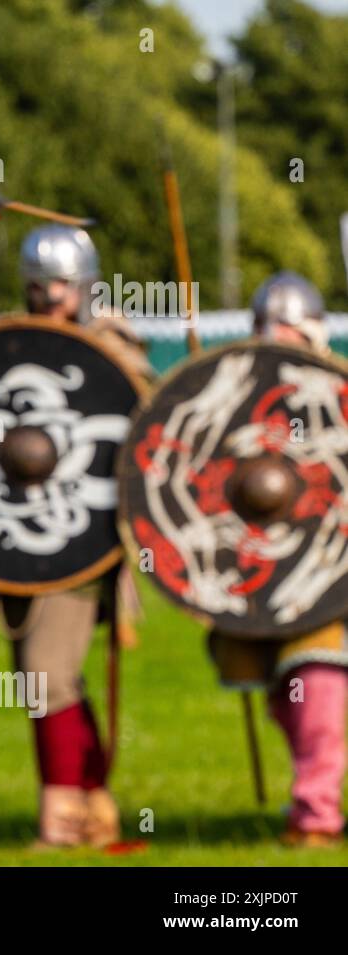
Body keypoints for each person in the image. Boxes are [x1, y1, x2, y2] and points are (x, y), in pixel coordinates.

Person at [0, 224, 146, 847]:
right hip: (17, 533)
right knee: (52, 678)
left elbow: (139, 424)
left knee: (44, 676)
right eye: (39, 288)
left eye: (62, 287)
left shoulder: (113, 347)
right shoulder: (9, 348)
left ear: (84, 288)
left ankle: (59, 820)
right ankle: (94, 805)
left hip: (83, 541)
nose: (51, 299)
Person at [207, 271, 346, 848]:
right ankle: (314, 797)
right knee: (290, 694)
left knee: (316, 681)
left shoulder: (337, 395)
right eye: (272, 328)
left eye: (292, 328)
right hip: (266, 574)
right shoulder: (232, 397)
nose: (282, 337)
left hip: (335, 567)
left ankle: (316, 813)